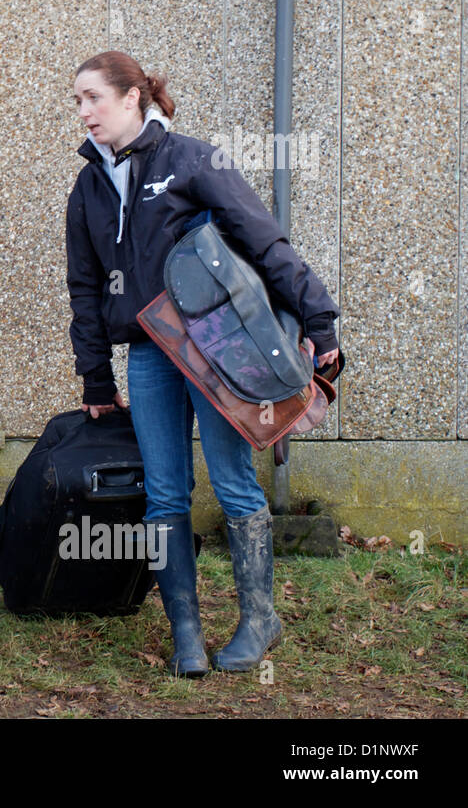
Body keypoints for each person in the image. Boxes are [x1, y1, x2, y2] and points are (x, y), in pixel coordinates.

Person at [65, 51, 339, 678]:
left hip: (219, 349)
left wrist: (318, 319)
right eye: (77, 101)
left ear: (133, 96)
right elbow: (85, 285)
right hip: (148, 353)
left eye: (93, 98)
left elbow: (262, 238)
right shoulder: (88, 184)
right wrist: (95, 375)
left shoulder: (192, 159)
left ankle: (259, 618)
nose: (83, 112)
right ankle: (185, 630)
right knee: (164, 494)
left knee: (234, 481)